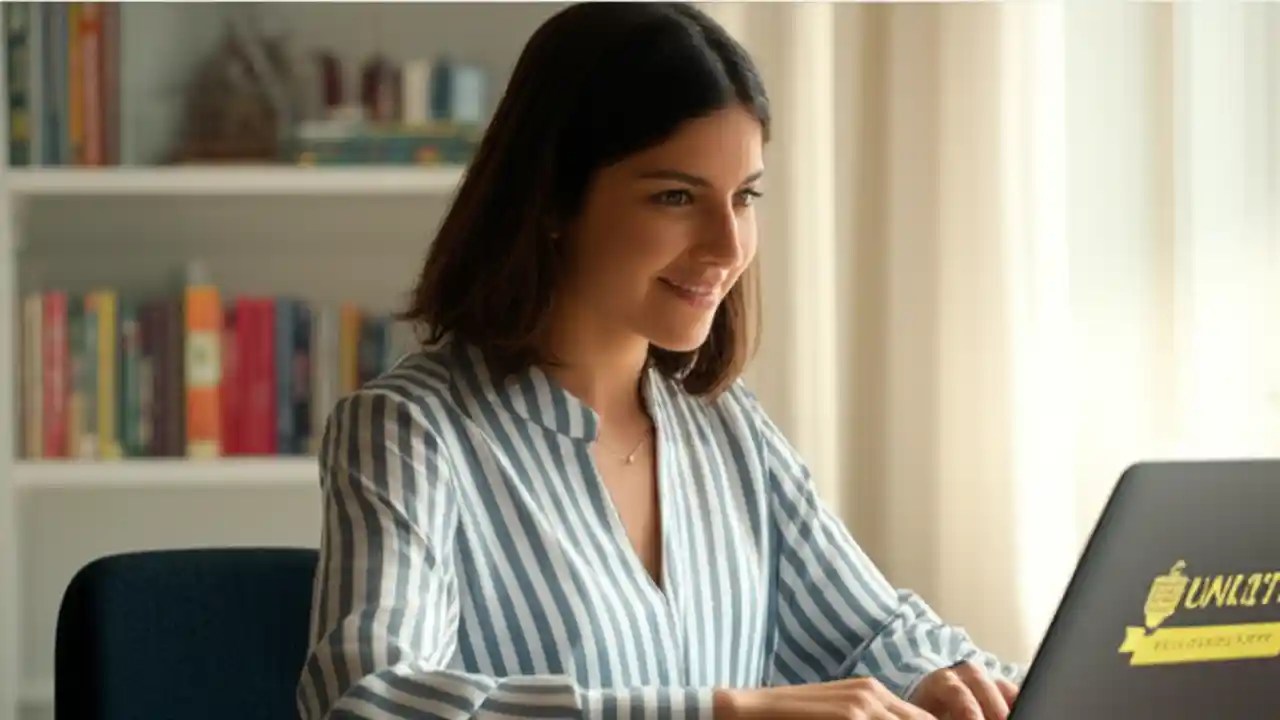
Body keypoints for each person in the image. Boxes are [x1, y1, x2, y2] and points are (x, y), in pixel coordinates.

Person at [297, 3, 1022, 719]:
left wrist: (950, 677)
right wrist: (723, 712)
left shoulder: (725, 423)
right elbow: (370, 701)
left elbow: (871, 632)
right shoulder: (406, 431)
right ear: (551, 199)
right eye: (677, 196)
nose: (728, 246)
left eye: (743, 197)